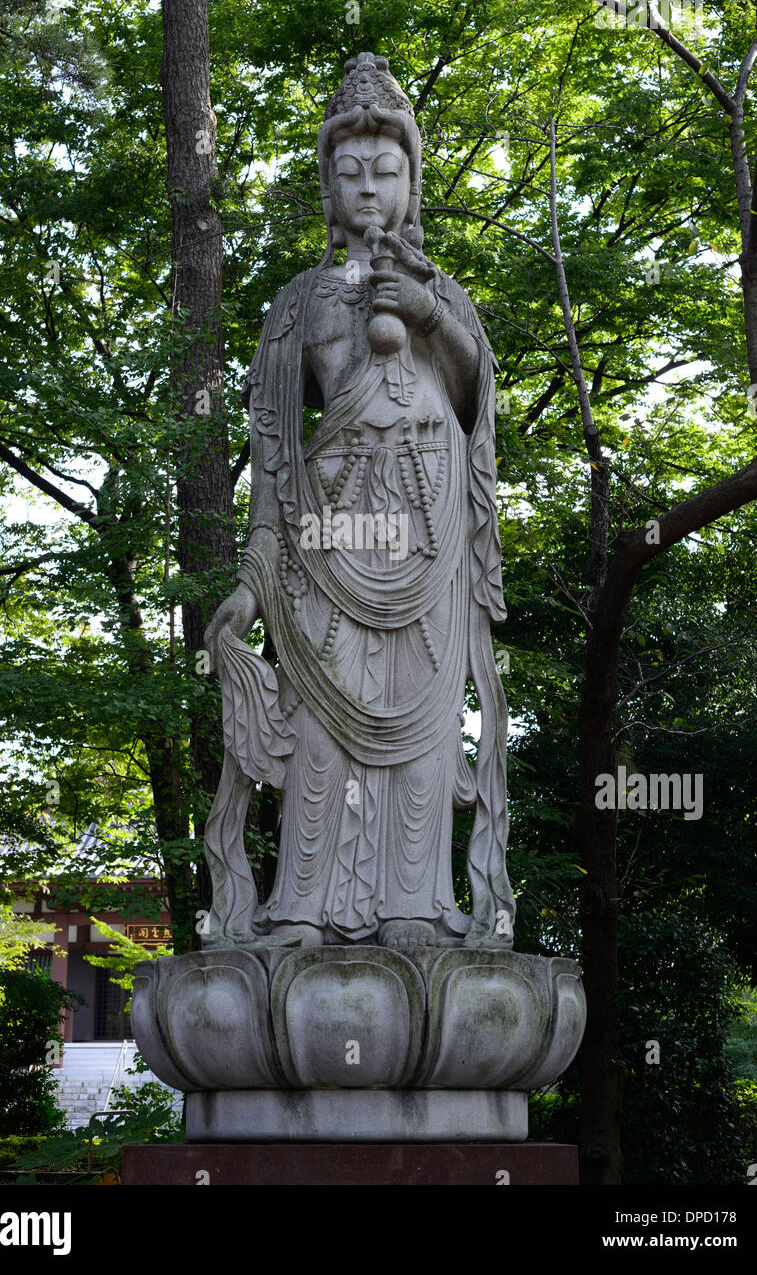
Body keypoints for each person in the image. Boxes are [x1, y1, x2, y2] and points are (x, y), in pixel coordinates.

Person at [204, 52, 515, 949]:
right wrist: (252, 578)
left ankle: (415, 905)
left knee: (422, 722)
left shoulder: (439, 295)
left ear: (412, 180)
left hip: (426, 536)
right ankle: (299, 907)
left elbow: (472, 401)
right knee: (319, 722)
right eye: (350, 172)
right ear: (327, 187)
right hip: (326, 538)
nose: (368, 188)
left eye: (387, 171)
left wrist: (428, 315)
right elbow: (272, 456)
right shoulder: (297, 305)